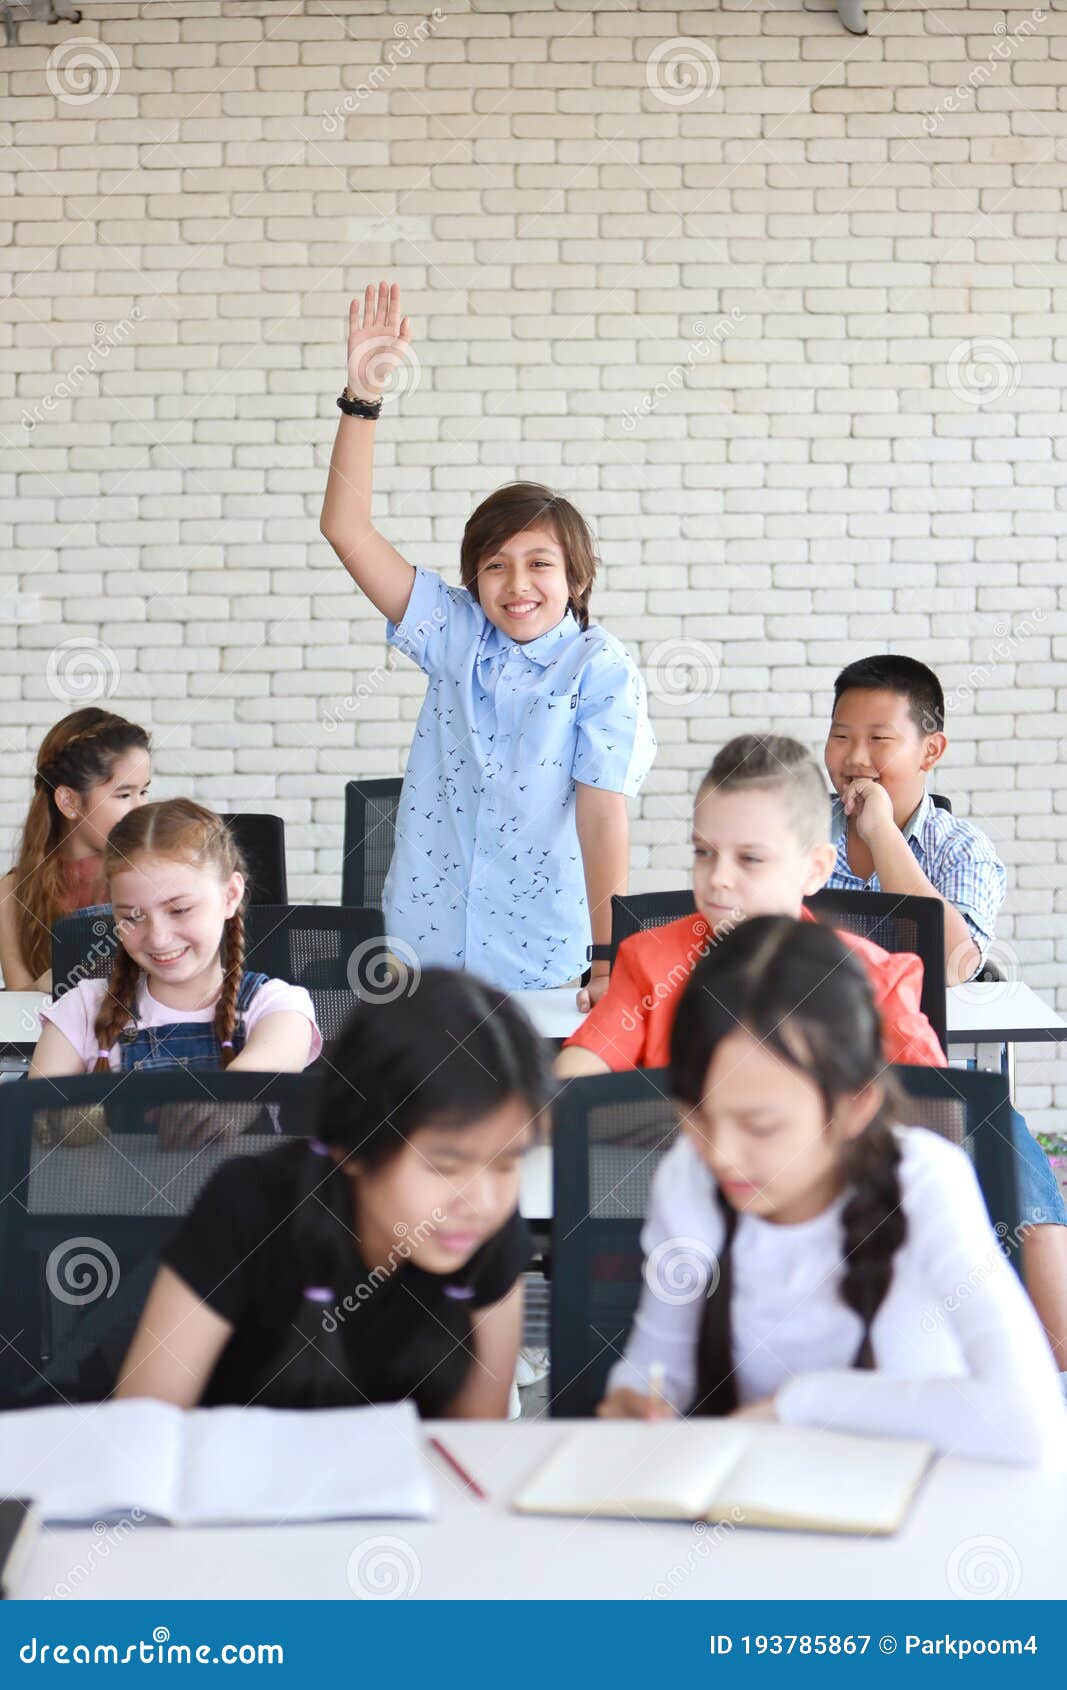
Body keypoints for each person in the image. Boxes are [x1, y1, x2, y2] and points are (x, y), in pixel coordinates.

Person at [599, 916, 1064, 1467]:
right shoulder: (688, 1174)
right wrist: (636, 1400)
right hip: (762, 1505)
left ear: (855, 1106)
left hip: (921, 1510)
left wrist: (803, 1402)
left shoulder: (924, 1180)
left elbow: (1030, 1420)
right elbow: (659, 1365)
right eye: (697, 1118)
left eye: (761, 1126)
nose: (720, 1154)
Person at [319, 281, 655, 1003]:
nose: (516, 584)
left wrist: (608, 956)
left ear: (576, 575)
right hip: (425, 951)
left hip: (544, 956)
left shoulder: (599, 668)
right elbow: (345, 531)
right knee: (427, 1117)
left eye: (539, 564)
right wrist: (361, 400)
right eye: (494, 566)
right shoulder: (456, 634)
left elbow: (602, 814)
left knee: (533, 1117)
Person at [115, 970, 548, 1414]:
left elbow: (472, 1446)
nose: (481, 1203)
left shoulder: (483, 1228)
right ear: (355, 1146)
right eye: (445, 1166)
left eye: (506, 1163)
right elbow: (143, 1432)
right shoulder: (247, 1206)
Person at [29, 798, 320, 1078]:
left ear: (230, 895)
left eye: (180, 910)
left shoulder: (277, 1006)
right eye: (132, 916)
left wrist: (220, 1112)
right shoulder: (81, 1009)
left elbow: (244, 1091)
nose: (158, 939)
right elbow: (34, 1118)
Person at [0, 709, 151, 991]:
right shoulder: (11, 893)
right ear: (69, 802)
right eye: (124, 794)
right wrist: (45, 983)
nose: (141, 808)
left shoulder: (152, 878)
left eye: (144, 792)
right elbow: (16, 1002)